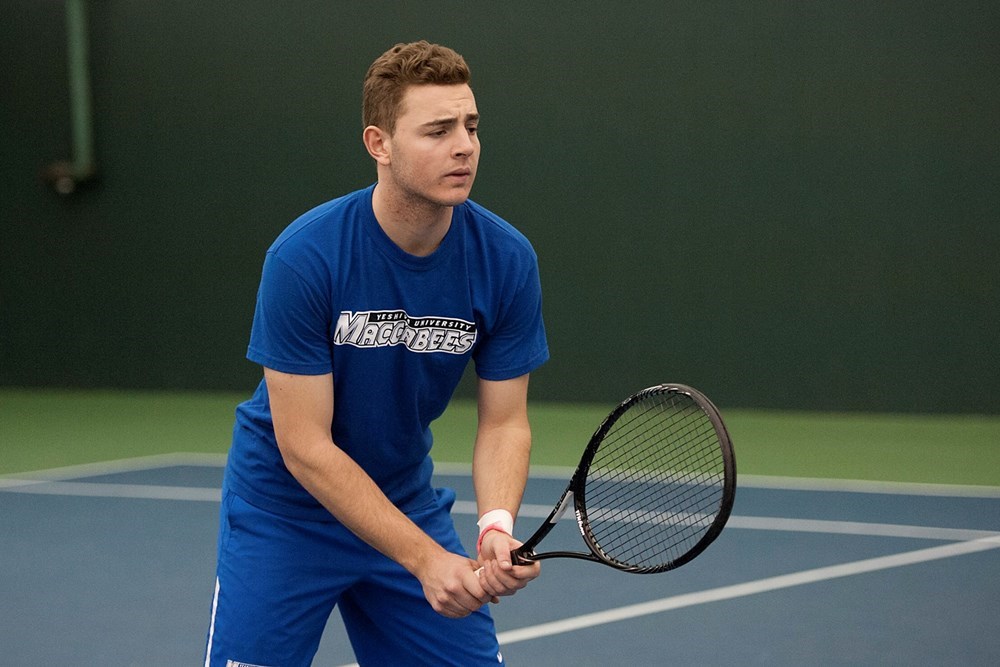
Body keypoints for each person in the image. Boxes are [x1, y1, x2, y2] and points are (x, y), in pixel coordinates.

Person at [203, 40, 549, 666]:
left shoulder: (506, 260)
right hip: (285, 515)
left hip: (403, 500)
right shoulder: (305, 258)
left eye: (470, 126)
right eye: (438, 130)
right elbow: (305, 447)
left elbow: (505, 421)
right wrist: (425, 560)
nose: (464, 145)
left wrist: (496, 523)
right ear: (379, 144)